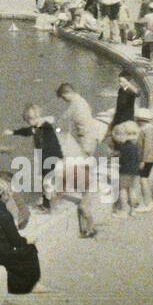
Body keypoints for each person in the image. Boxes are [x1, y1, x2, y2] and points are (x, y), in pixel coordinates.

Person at [57, 83, 104, 238]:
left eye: (64, 97)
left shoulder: (75, 104)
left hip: (86, 139)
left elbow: (62, 121)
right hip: (91, 137)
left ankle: (90, 229)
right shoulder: (81, 101)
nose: (64, 100)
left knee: (84, 205)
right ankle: (90, 228)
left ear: (67, 93)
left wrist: (53, 129)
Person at [4, 104, 64, 212]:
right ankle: (51, 197)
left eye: (29, 121)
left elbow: (51, 129)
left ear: (34, 118)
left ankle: (48, 205)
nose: (28, 124)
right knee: (45, 180)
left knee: (46, 181)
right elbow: (26, 132)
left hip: (51, 157)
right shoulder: (36, 127)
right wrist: (13, 132)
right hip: (45, 157)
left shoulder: (46, 126)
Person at [107, 121, 142, 219]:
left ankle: (123, 210)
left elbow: (121, 160)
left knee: (122, 191)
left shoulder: (124, 147)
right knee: (131, 191)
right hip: (135, 172)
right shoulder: (134, 147)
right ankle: (133, 210)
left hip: (125, 172)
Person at [133, 107, 153, 213]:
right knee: (144, 179)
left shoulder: (145, 129)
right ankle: (150, 202)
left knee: (143, 180)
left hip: (145, 159)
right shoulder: (151, 128)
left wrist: (142, 161)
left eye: (138, 120)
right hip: (150, 158)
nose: (137, 122)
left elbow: (146, 146)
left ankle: (146, 203)